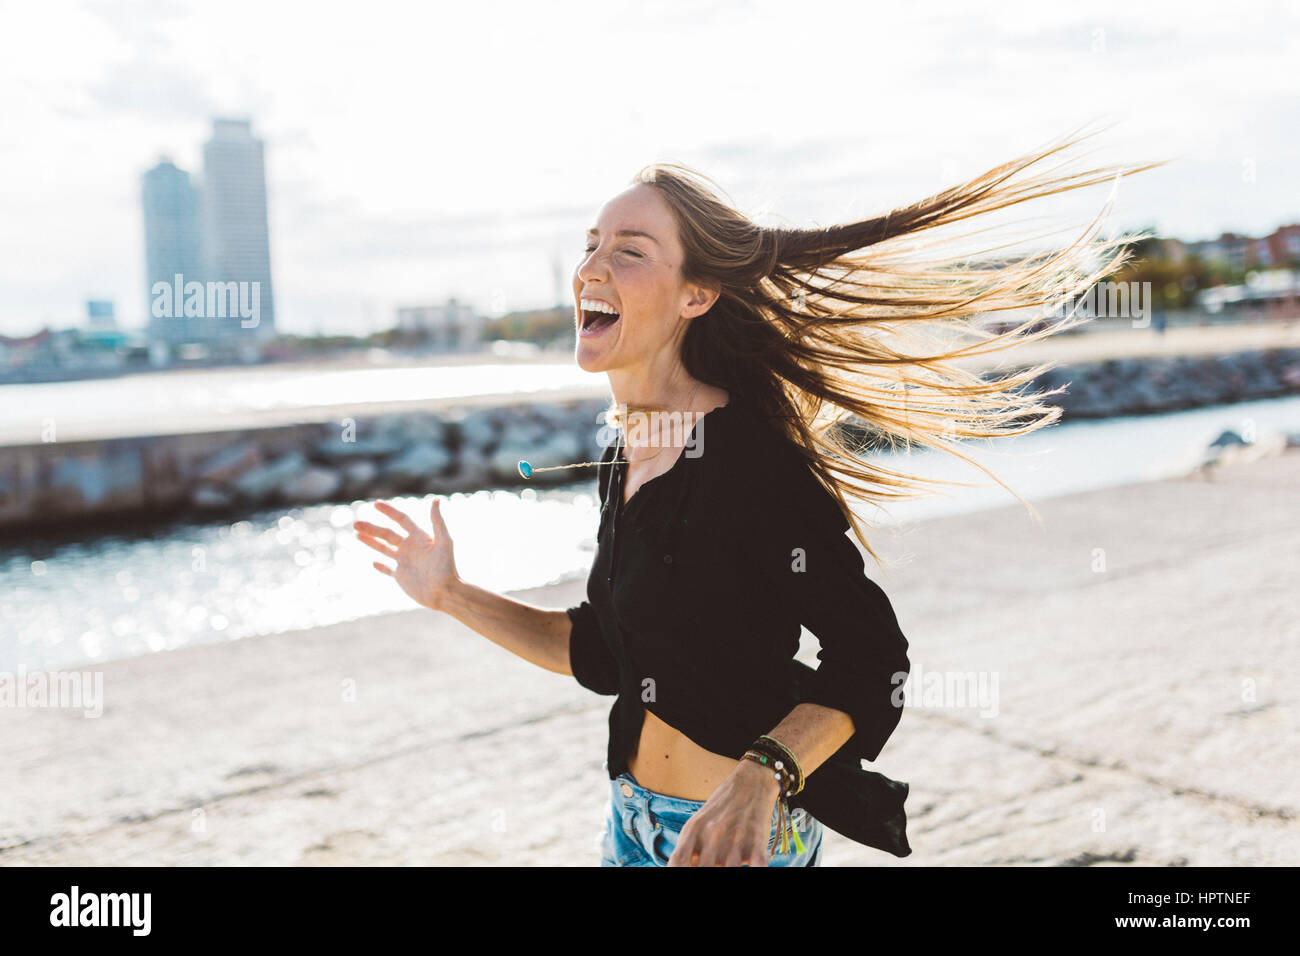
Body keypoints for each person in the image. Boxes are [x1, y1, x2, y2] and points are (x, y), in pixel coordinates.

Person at [353, 127, 1158, 866]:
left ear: (696, 295)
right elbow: (603, 654)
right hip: (631, 825)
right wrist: (452, 595)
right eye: (591, 244)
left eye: (629, 251)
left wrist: (762, 776)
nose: (591, 268)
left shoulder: (750, 463)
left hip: (742, 836)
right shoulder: (623, 448)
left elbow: (872, 662)